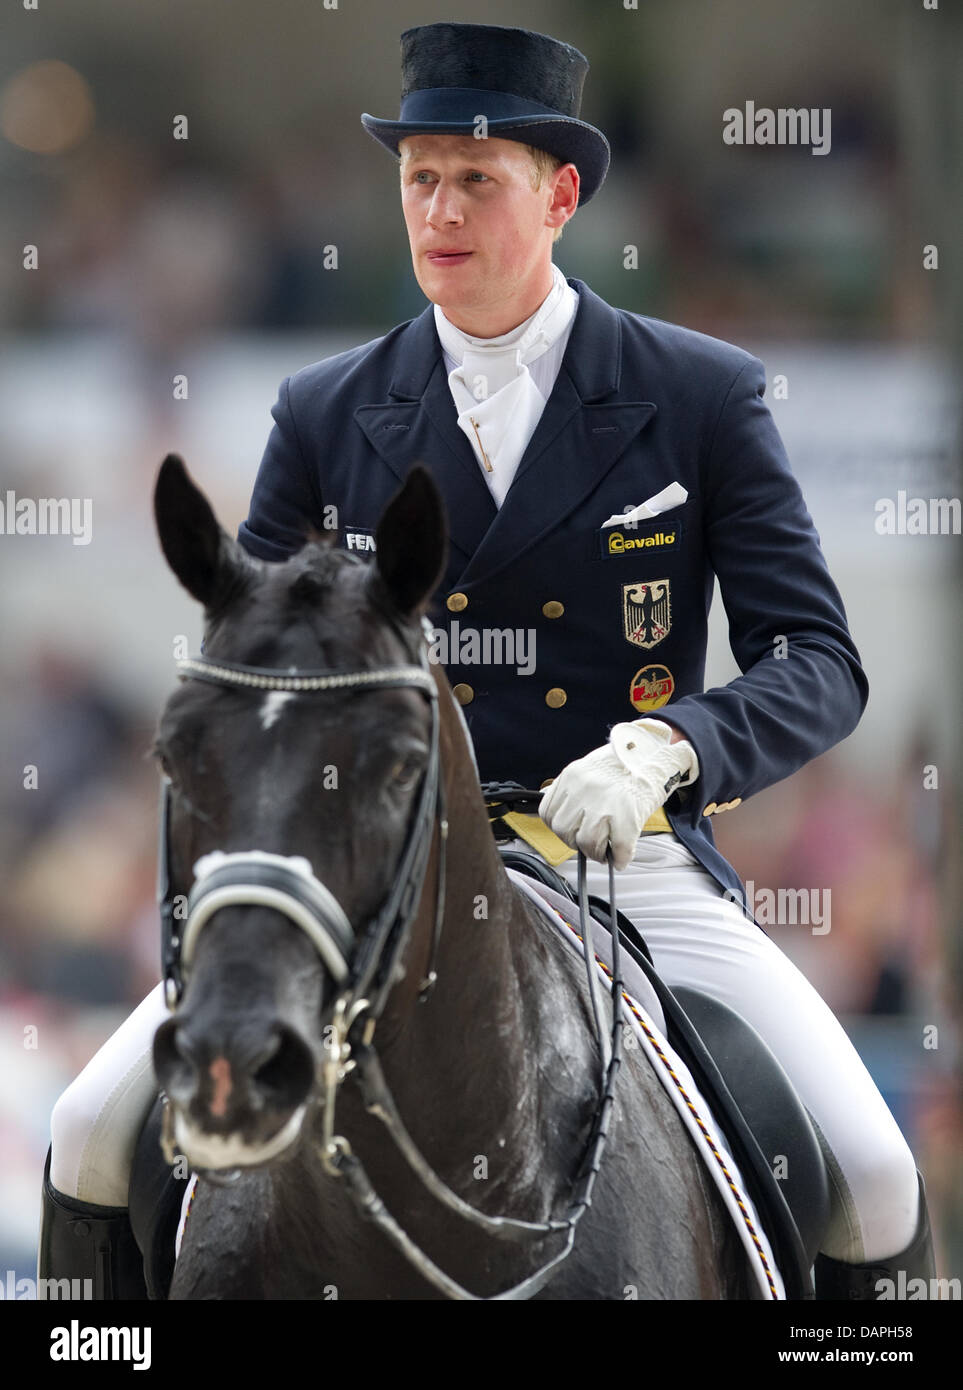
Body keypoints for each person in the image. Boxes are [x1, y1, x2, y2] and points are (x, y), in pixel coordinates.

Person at [41, 21, 934, 1300]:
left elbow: (820, 659)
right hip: (367, 877)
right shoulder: (326, 410)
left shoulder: (700, 396)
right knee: (85, 1129)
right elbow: (255, 666)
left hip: (625, 863)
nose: (440, 209)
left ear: (560, 195)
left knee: (872, 1167)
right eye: (420, 180)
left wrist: (672, 745)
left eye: (478, 179)